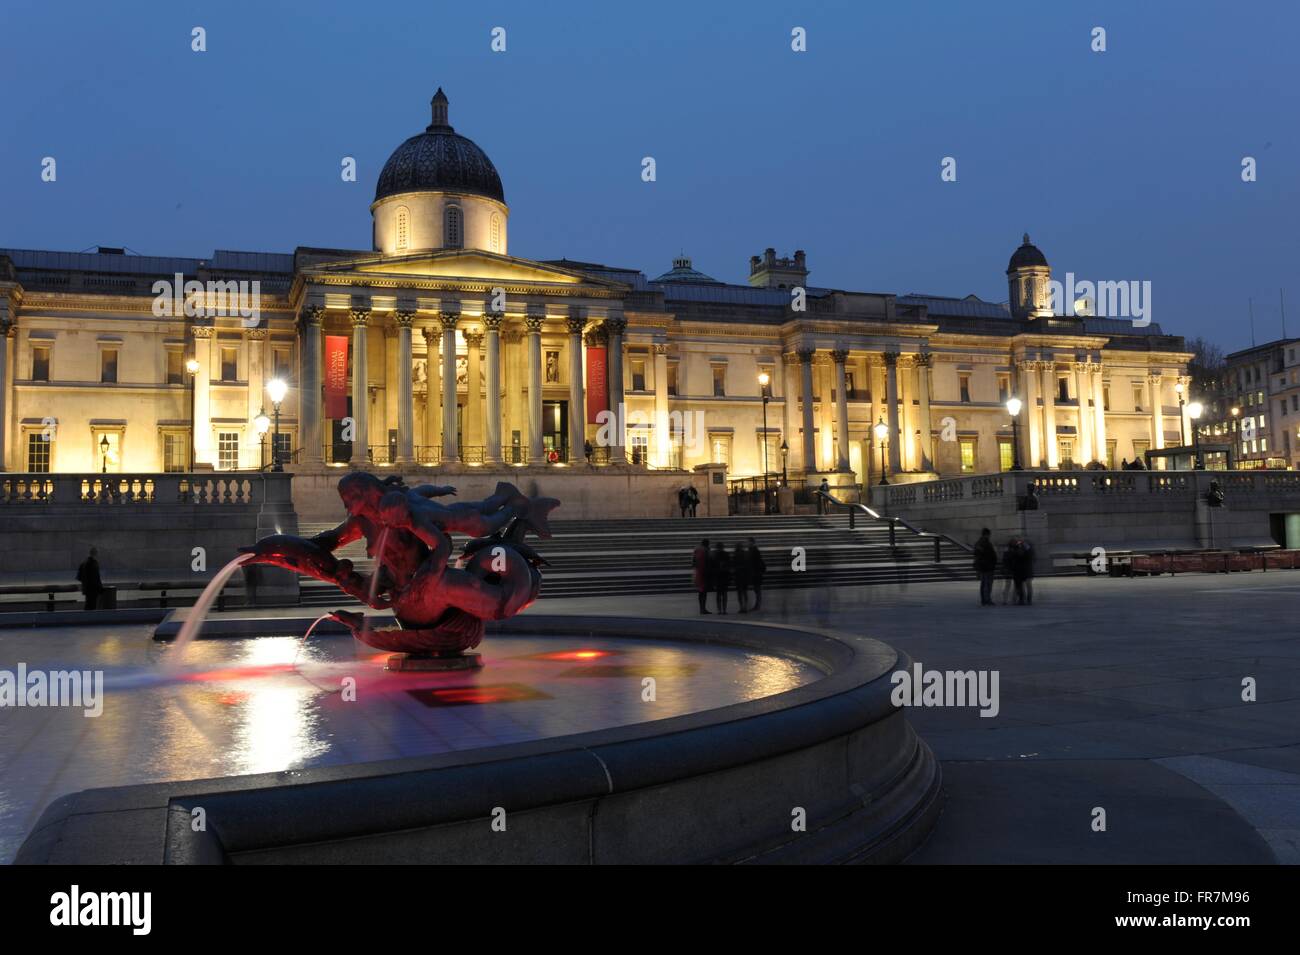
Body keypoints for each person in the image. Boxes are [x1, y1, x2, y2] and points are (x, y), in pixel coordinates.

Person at [972, 528, 998, 606]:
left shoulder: (978, 543)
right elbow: (990, 555)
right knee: (988, 584)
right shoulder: (986, 543)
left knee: (983, 583)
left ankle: (984, 600)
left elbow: (976, 554)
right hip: (988, 566)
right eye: (989, 535)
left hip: (982, 566)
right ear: (987, 534)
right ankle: (987, 600)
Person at [76, 546, 104, 611]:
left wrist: (85, 582)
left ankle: (86, 618)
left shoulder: (84, 562)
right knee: (92, 605)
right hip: (93, 588)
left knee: (88, 604)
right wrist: (100, 588)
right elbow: (96, 577)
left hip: (87, 588)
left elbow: (79, 577)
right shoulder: (94, 563)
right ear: (96, 554)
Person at [1012, 537, 1035, 605]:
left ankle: (1027, 599)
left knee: (1026, 585)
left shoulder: (1026, 549)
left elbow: (1030, 555)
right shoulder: (1018, 549)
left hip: (1025, 570)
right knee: (1023, 586)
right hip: (1022, 570)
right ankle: (1024, 599)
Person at [745, 537, 766, 611]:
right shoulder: (752, 550)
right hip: (755, 573)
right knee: (756, 589)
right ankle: (757, 605)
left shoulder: (754, 550)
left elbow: (755, 562)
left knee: (757, 589)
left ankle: (758, 605)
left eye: (748, 542)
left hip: (756, 573)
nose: (747, 543)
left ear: (751, 542)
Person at [711, 540, 731, 614]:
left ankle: (719, 610)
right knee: (724, 593)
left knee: (719, 594)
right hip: (724, 576)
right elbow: (729, 565)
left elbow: (712, 567)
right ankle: (724, 609)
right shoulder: (726, 554)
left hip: (718, 576)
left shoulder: (715, 555)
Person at [692, 538, 711, 614]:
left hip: (698, 572)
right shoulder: (705, 550)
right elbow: (708, 561)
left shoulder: (697, 550)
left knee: (701, 591)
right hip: (704, 573)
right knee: (704, 592)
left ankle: (702, 608)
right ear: (707, 544)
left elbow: (693, 561)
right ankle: (703, 608)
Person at [733, 542, 750, 612]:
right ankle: (745, 607)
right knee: (744, 592)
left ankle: (741, 607)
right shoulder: (745, 554)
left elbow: (733, 565)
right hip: (744, 575)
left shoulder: (735, 554)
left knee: (740, 592)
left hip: (738, 575)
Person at [1000, 537, 1018, 605]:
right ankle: (1006, 600)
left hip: (1012, 569)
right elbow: (1006, 560)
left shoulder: (1010, 549)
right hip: (1009, 569)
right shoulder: (1009, 550)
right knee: (1008, 585)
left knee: (1013, 585)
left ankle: (1013, 599)